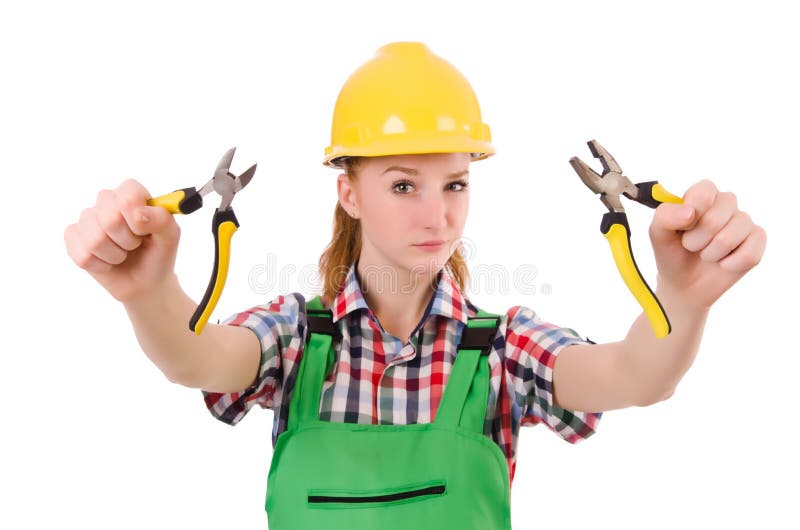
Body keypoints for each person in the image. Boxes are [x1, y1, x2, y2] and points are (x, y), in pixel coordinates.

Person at [63, 42, 766, 529]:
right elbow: (194, 358)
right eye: (404, 184)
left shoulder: (500, 348)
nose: (439, 215)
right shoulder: (294, 337)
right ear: (350, 193)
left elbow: (632, 375)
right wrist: (146, 293)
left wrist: (684, 298)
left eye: (455, 183)